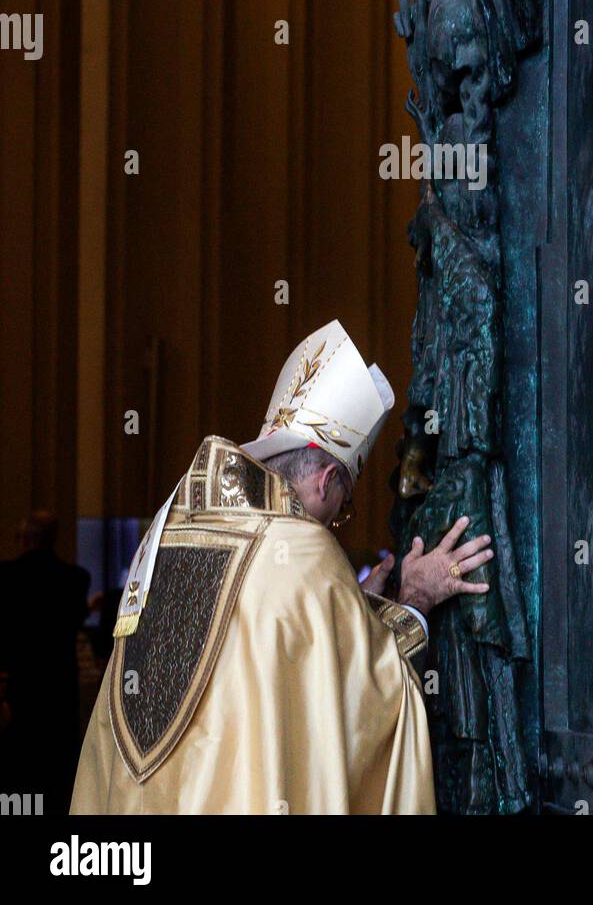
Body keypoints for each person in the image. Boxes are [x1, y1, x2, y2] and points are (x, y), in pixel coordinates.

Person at [71, 321, 494, 814]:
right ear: (328, 478)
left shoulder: (177, 527)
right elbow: (361, 708)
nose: (338, 518)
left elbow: (261, 652)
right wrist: (414, 602)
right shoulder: (303, 550)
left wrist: (352, 608)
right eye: (345, 503)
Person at [0, 511, 90, 814]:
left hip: (22, 680)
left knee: (22, 762)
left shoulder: (7, 576)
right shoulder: (76, 579)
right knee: (58, 761)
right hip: (59, 679)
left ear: (24, 539)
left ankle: (22, 811)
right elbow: (75, 621)